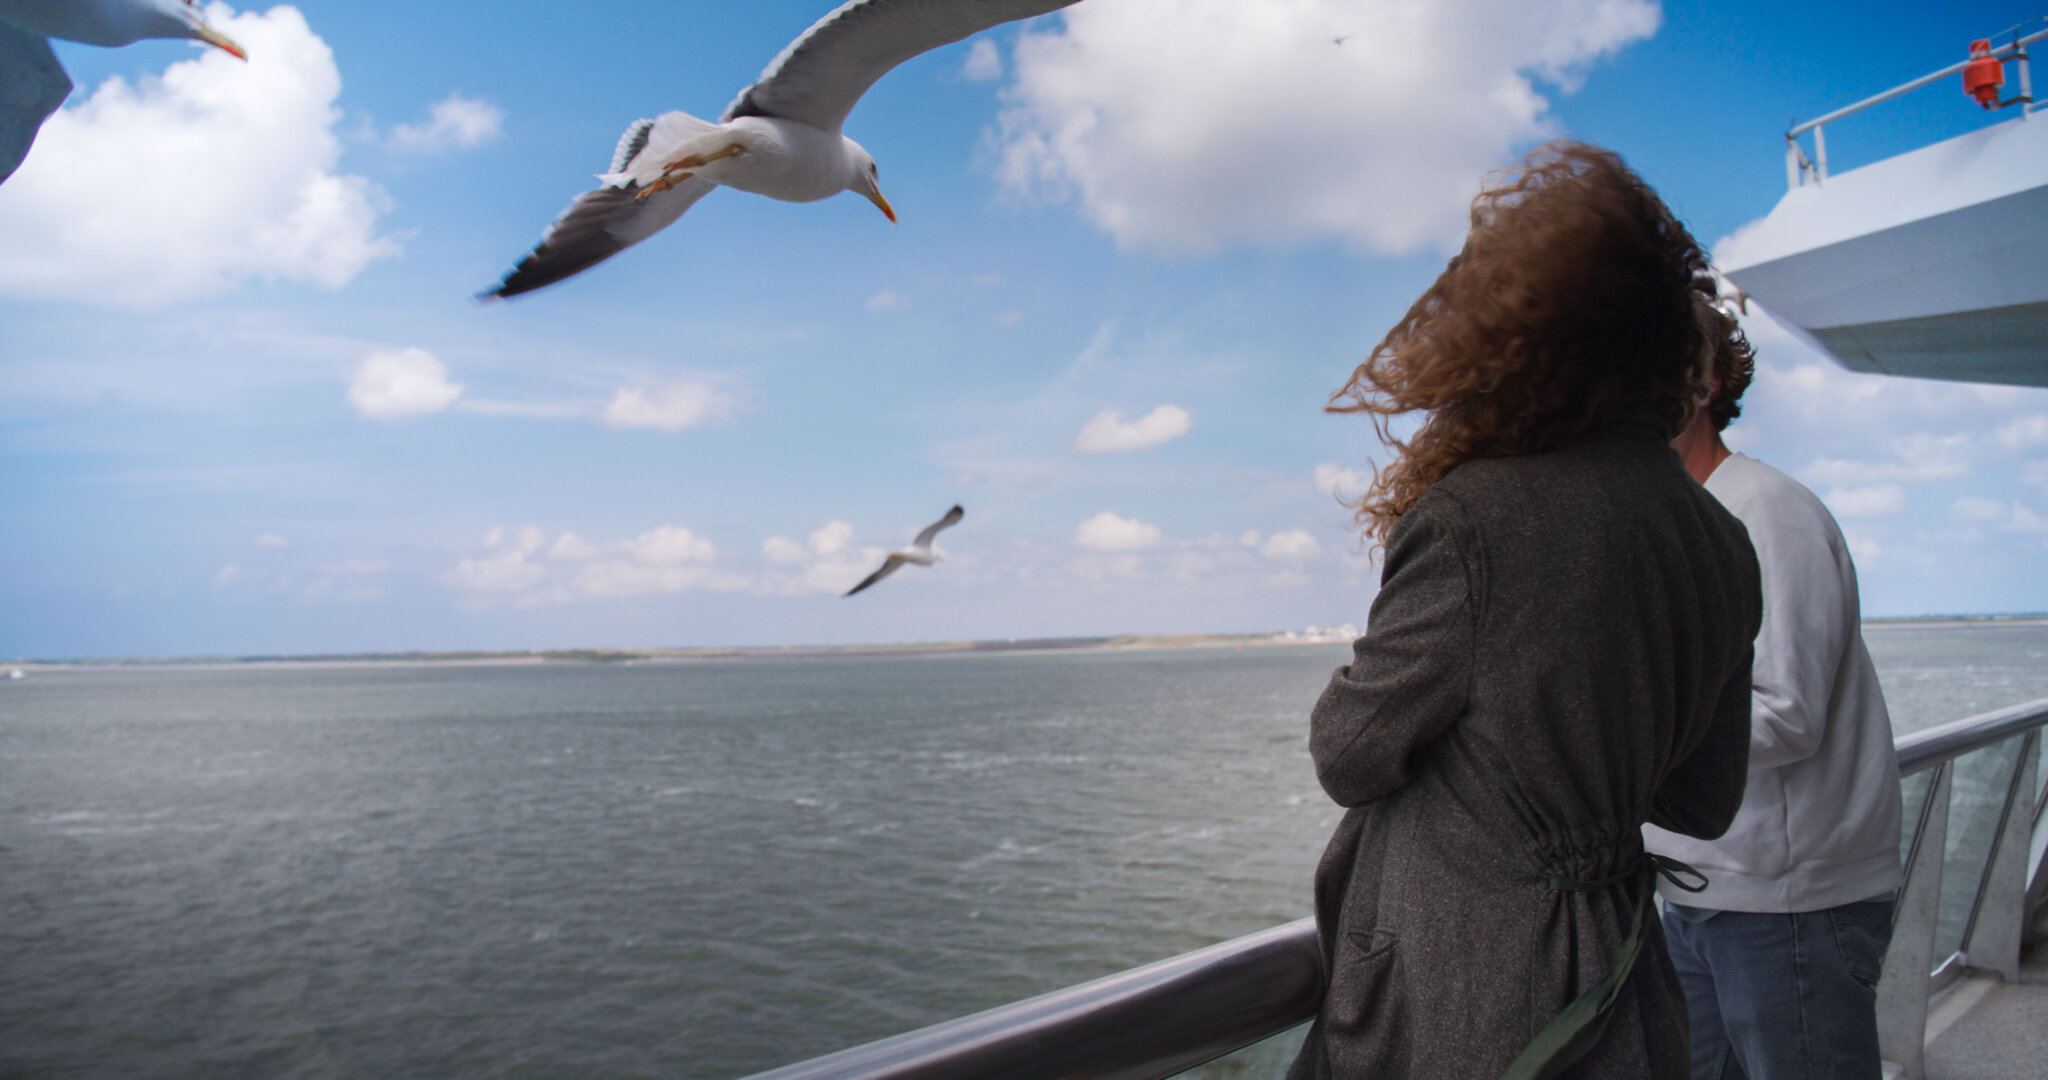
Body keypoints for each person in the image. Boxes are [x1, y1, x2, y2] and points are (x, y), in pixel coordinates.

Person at [1286, 141, 1762, 1080]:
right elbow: (1703, 801)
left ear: (1513, 345)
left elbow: (1349, 754)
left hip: (1469, 1000)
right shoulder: (1717, 538)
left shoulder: (1475, 518)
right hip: (1624, 987)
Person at [1643, 299, 1903, 1080]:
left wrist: (1623, 748)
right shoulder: (1677, 519)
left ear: (1712, 380)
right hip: (1696, 885)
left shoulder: (1769, 512)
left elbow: (1787, 713)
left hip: (1788, 902)